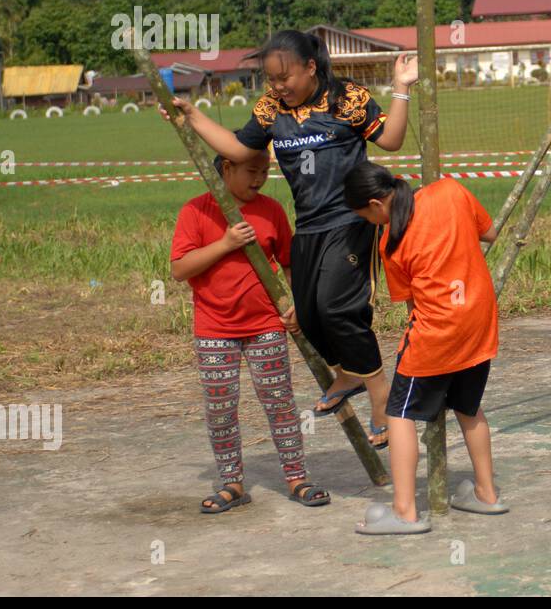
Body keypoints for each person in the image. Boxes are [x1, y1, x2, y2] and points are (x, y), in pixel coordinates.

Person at [161, 30, 417, 448]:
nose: (279, 86)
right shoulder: (270, 110)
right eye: (271, 79)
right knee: (308, 315)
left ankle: (379, 397)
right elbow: (239, 150)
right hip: (309, 226)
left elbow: (390, 140)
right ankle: (347, 373)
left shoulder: (346, 98)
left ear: (311, 68)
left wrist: (401, 89)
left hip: (350, 222)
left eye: (286, 77)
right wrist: (191, 115)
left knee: (337, 307)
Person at [343, 162, 507, 534]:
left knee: (398, 413)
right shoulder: (451, 190)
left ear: (375, 203)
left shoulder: (391, 241)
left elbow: (412, 304)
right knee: (468, 406)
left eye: (366, 216)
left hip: (436, 334)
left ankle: (404, 511)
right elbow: (491, 233)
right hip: (479, 322)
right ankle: (486, 492)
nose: (371, 224)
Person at [170, 152, 329, 513]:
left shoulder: (271, 210)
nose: (258, 179)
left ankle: (297, 477)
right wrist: (226, 243)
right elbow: (180, 269)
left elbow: (289, 264)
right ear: (226, 168)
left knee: (280, 403)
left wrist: (297, 304)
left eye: (264, 172)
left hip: (265, 325)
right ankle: (232, 483)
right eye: (251, 171)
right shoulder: (195, 212)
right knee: (221, 408)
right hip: (214, 328)